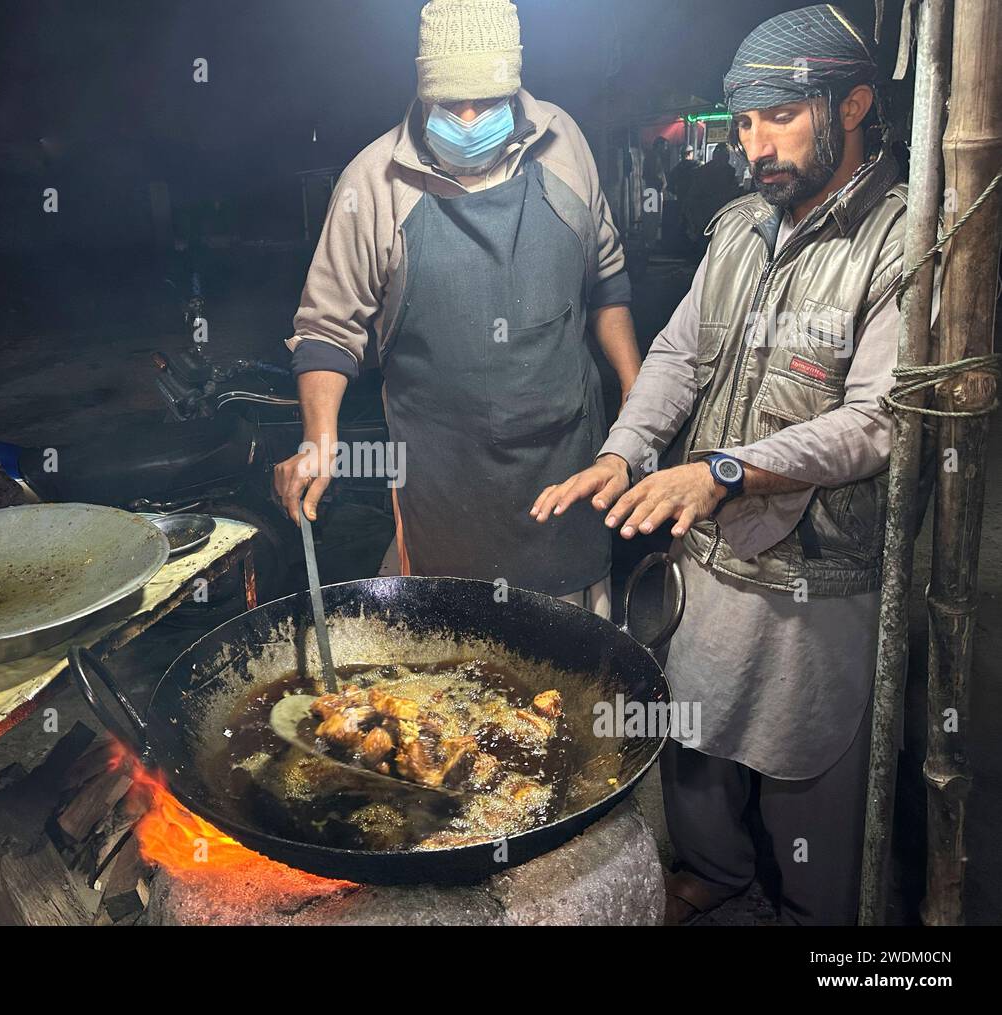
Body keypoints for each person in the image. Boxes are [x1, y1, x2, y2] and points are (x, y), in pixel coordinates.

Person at [532, 4, 926, 924]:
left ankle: (809, 917)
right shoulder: (741, 229)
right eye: (744, 122)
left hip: (817, 581)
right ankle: (717, 878)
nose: (757, 144)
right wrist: (623, 452)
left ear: (855, 104)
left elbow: (876, 424)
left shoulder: (902, 241)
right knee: (698, 740)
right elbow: (676, 356)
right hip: (710, 561)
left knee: (807, 772)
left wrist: (722, 471)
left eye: (780, 117)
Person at [274, 0, 641, 615]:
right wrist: (319, 437)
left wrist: (633, 387)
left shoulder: (566, 147)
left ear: (515, 87)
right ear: (422, 92)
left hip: (568, 460)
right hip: (443, 476)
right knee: (451, 658)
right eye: (451, 106)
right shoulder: (373, 182)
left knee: (574, 656)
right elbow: (326, 330)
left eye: (487, 104)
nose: (469, 121)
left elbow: (607, 280)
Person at [682, 143, 742, 257]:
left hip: (707, 215)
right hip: (715, 215)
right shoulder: (728, 172)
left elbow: (691, 195)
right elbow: (733, 193)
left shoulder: (703, 171)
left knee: (705, 248)